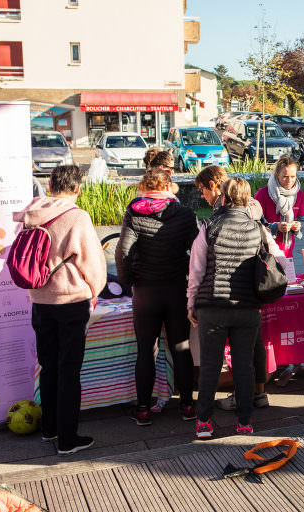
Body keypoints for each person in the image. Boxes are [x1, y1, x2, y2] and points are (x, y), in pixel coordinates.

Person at [13, 165, 106, 455]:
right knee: (69, 371)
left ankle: (49, 429)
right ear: (77, 188)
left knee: (49, 366)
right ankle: (68, 439)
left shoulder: (30, 213)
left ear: (50, 185)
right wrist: (95, 291)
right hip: (70, 302)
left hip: (39, 302)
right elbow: (92, 264)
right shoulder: (77, 217)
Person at [194, 165, 285, 411]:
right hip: (250, 295)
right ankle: (256, 397)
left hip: (222, 296)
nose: (203, 196)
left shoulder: (216, 217)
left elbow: (198, 267)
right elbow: (271, 248)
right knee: (253, 346)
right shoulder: (253, 209)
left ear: (218, 190)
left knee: (221, 360)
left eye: (203, 190)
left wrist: (193, 301)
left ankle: (212, 414)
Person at [115, 170, 199, 426]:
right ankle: (186, 405)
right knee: (181, 348)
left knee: (146, 350)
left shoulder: (134, 212)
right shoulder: (184, 214)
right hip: (176, 289)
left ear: (143, 187)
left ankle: (142, 409)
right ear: (169, 187)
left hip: (146, 291)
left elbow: (122, 252)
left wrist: (129, 280)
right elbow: (197, 250)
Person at [187, 178, 265, 438]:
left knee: (210, 366)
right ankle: (244, 422)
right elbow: (272, 260)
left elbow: (196, 270)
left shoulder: (209, 225)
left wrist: (191, 303)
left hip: (213, 307)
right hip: (247, 308)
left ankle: (204, 423)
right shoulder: (257, 228)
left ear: (224, 198)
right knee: (244, 367)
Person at [254, 155, 304, 258]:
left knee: (288, 274)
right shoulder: (263, 194)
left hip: (288, 251)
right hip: (266, 251)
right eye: (285, 176)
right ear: (277, 175)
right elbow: (255, 223)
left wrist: (298, 226)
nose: (289, 181)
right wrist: (275, 227)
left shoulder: (299, 194)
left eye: (293, 176)